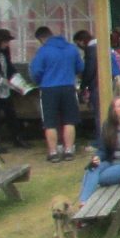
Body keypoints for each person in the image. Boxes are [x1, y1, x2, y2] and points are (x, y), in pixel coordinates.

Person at [28, 24, 85, 162]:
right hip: (68, 86)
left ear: (42, 39)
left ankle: (53, 152)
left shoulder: (43, 51)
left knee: (50, 122)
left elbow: (36, 71)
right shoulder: (71, 48)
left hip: (49, 88)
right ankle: (69, 150)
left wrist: (39, 81)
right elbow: (80, 67)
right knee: (69, 120)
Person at [80, 94, 120, 201]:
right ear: (114, 111)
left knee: (97, 177)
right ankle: (83, 202)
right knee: (91, 169)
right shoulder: (108, 125)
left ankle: (85, 202)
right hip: (111, 161)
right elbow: (103, 149)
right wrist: (98, 157)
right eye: (119, 106)